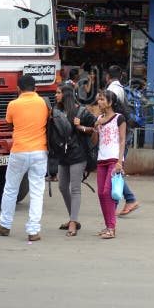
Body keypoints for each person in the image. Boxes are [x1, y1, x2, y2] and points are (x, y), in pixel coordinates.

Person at [0, 75, 49, 241]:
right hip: (39, 151)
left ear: (18, 89)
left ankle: (5, 225)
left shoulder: (13, 105)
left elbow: (10, 124)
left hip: (19, 151)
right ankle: (33, 231)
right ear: (35, 88)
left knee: (10, 188)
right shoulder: (44, 103)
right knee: (37, 192)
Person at [54, 84, 95, 237]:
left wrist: (81, 127)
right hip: (63, 154)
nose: (56, 95)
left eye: (58, 92)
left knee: (75, 188)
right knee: (62, 186)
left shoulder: (81, 111)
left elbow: (95, 127)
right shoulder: (56, 110)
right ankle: (74, 218)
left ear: (66, 94)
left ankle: (73, 221)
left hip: (78, 154)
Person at [104, 65, 139, 216]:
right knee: (115, 168)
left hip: (119, 131)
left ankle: (127, 200)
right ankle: (126, 200)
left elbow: (110, 112)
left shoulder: (112, 89)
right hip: (124, 129)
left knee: (116, 168)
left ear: (107, 76)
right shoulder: (120, 88)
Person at [92, 90, 127, 239]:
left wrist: (120, 161)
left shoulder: (119, 118)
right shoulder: (99, 118)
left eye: (102, 99)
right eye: (99, 99)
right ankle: (108, 226)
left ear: (110, 102)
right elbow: (95, 142)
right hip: (101, 159)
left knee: (107, 192)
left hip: (114, 159)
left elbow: (122, 140)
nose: (99, 102)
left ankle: (111, 228)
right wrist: (95, 127)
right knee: (101, 193)